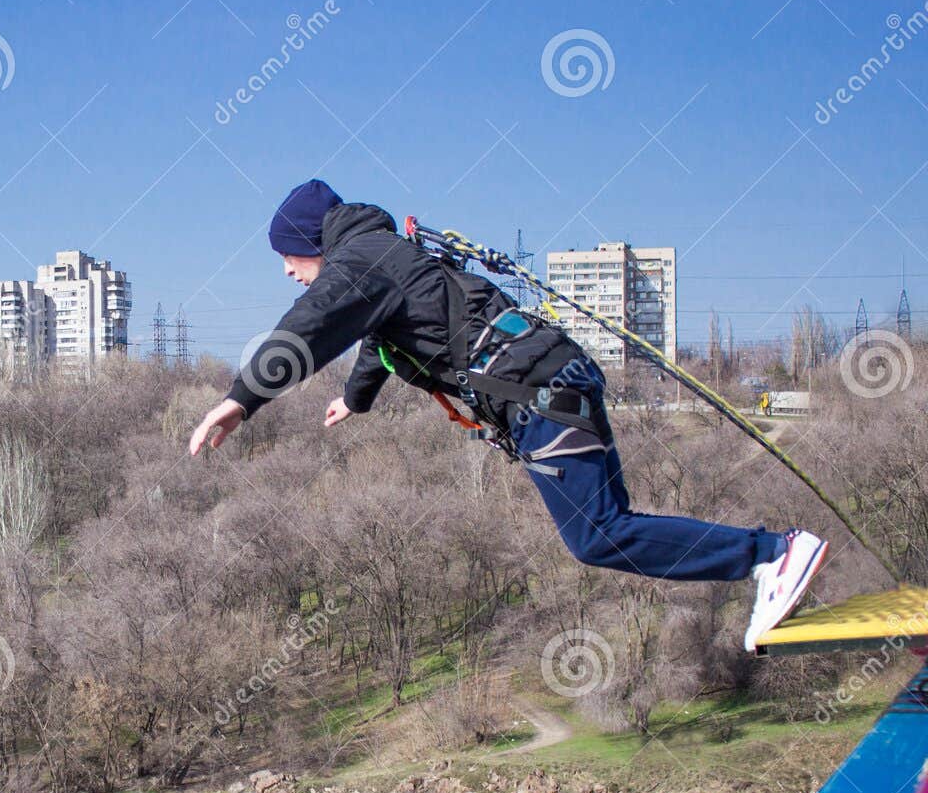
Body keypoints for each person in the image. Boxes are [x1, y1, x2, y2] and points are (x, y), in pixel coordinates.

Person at [187, 179, 827, 652]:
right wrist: (355, 399)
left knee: (599, 535)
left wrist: (240, 399)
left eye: (289, 260)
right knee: (604, 530)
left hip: (541, 394)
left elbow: (314, 323)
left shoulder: (362, 262)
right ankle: (771, 558)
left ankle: (771, 555)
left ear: (310, 246)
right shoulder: (387, 255)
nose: (289, 275)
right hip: (552, 381)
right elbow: (379, 338)